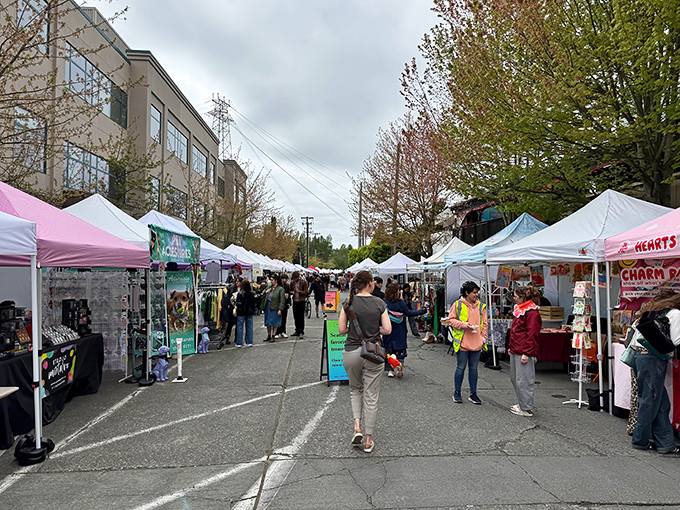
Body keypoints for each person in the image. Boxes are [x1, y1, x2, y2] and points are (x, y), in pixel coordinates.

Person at [338, 270, 391, 453]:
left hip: (351, 351)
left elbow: (341, 330)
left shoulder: (348, 303)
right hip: (372, 353)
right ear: (370, 283)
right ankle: (368, 439)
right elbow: (388, 329)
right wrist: (375, 329)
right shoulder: (379, 303)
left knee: (355, 390)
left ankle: (357, 427)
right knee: (371, 395)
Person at [629, 291, 680, 454]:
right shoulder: (675, 313)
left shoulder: (651, 311)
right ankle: (639, 440)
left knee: (660, 401)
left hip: (639, 356)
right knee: (650, 401)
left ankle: (665, 443)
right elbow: (677, 340)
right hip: (653, 358)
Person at [448, 281, 488, 404]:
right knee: (460, 367)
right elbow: (451, 320)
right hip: (463, 342)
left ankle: (473, 394)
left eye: (477, 292)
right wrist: (465, 325)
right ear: (467, 293)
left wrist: (483, 338)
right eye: (474, 292)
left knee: (474, 368)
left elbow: (485, 324)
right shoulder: (457, 305)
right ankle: (457, 392)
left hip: (477, 343)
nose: (477, 295)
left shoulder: (481, 306)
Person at [507, 285, 542, 416]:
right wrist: (511, 346)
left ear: (522, 297)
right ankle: (522, 403)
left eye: (516, 296)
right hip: (517, 348)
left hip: (523, 350)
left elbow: (532, 333)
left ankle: (526, 408)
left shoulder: (532, 312)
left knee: (524, 380)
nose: (514, 298)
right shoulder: (522, 309)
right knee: (516, 378)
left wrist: (527, 352)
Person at [382, 283, 427, 378]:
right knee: (399, 348)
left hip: (388, 329)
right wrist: (423, 311)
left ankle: (390, 370)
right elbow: (409, 313)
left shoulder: (384, 302)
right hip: (400, 329)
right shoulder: (400, 303)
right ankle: (399, 366)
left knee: (389, 349)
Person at [263, 275, 285, 342]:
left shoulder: (280, 289)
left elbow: (282, 300)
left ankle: (273, 335)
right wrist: (266, 292)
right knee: (268, 321)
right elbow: (262, 293)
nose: (271, 281)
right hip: (268, 306)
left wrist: (280, 309)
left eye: (272, 280)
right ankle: (269, 335)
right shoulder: (269, 288)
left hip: (275, 307)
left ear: (276, 281)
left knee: (274, 321)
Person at [235, 279, 256, 347]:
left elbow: (238, 303)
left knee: (240, 327)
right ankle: (249, 341)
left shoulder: (240, 293)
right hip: (249, 312)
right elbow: (254, 303)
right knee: (249, 327)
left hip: (241, 312)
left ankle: (239, 343)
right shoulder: (251, 293)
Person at [290, 271, 308, 338]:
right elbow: (289, 290)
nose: (295, 279)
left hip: (301, 301)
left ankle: (301, 331)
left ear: (298, 277)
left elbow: (306, 292)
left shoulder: (304, 282)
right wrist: (292, 292)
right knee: (295, 316)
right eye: (294, 278)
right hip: (295, 301)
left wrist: (299, 292)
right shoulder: (292, 283)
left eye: (296, 278)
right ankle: (297, 330)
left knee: (301, 317)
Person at [275, 274, 291, 339]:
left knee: (284, 318)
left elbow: (289, 294)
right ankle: (277, 332)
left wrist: (289, 302)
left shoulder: (287, 286)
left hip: (285, 303)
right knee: (278, 318)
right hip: (278, 304)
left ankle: (283, 331)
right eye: (285, 279)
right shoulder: (278, 286)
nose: (286, 280)